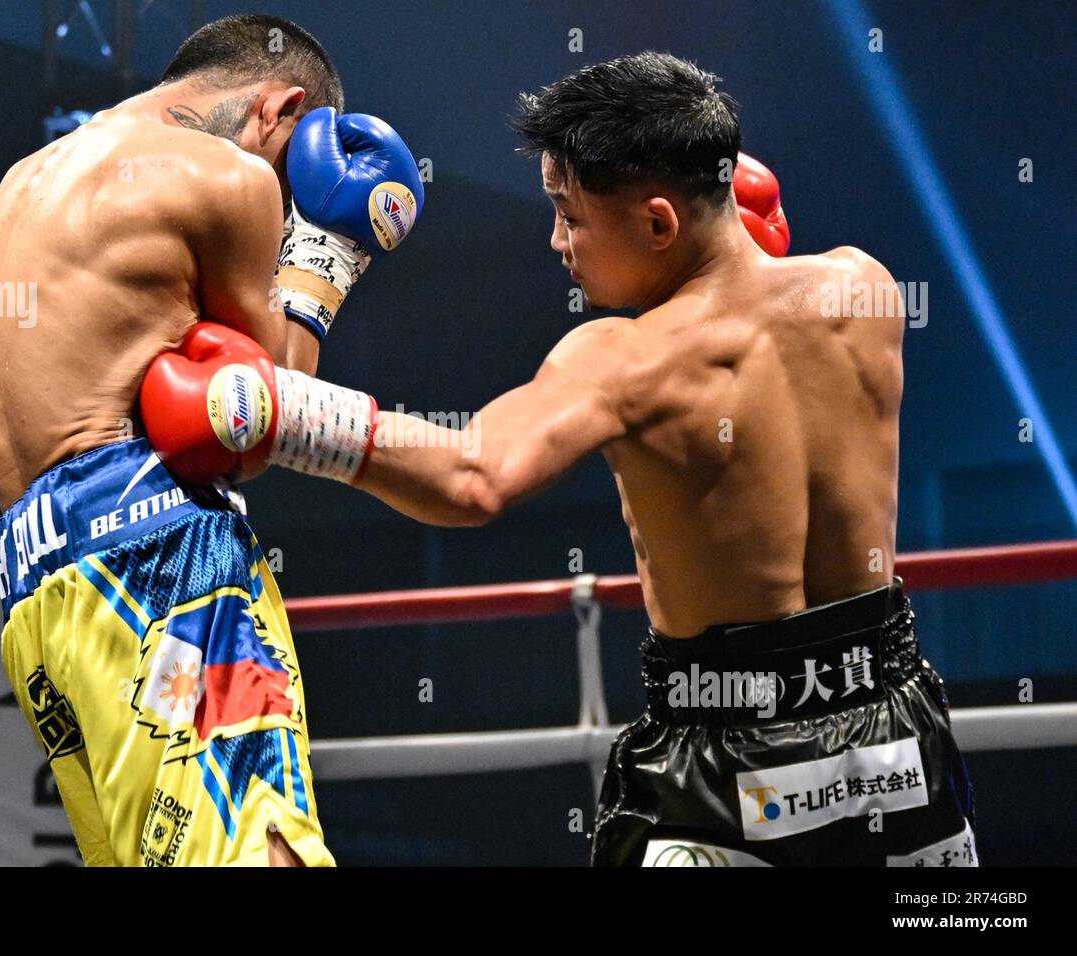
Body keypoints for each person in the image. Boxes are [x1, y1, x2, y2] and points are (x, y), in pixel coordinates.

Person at [142, 52, 977, 866]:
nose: (556, 241)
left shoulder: (621, 359)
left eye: (570, 214)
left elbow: (476, 475)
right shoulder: (864, 290)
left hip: (728, 756)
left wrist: (280, 414)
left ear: (658, 221)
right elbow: (756, 317)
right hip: (898, 735)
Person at [0, 13, 422, 866]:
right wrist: (327, 250)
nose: (282, 206)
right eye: (293, 182)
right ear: (281, 113)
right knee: (259, 846)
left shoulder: (20, 182)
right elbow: (270, 406)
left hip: (32, 594)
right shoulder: (228, 177)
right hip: (163, 565)